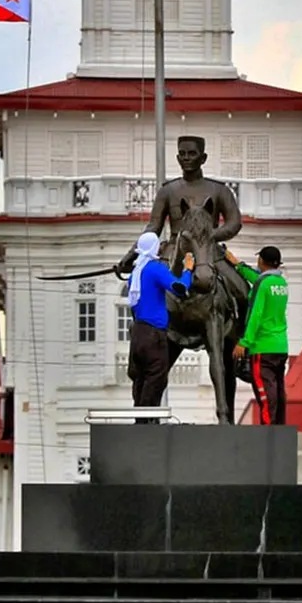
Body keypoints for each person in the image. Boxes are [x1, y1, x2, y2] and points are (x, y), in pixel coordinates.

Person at [114, 135, 242, 293]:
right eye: (182, 154)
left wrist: (210, 236)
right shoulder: (167, 191)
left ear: (203, 158)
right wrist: (131, 254)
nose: (186, 158)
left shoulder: (220, 190)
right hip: (174, 250)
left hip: (209, 250)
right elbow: (153, 227)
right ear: (178, 158)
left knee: (241, 290)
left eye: (192, 153)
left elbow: (234, 223)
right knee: (146, 289)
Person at [127, 231, 194, 422]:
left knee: (140, 379)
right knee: (156, 377)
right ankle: (146, 420)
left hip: (138, 333)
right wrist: (188, 269)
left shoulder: (136, 272)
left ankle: (139, 418)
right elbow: (179, 288)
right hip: (153, 334)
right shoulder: (155, 268)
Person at [224, 245, 290, 425]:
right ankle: (279, 428)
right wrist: (238, 265)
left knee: (265, 395)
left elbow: (256, 315)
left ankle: (268, 434)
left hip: (262, 348)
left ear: (261, 261)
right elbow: (257, 278)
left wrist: (244, 342)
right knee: (277, 391)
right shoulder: (280, 283)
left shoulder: (263, 285)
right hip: (280, 346)